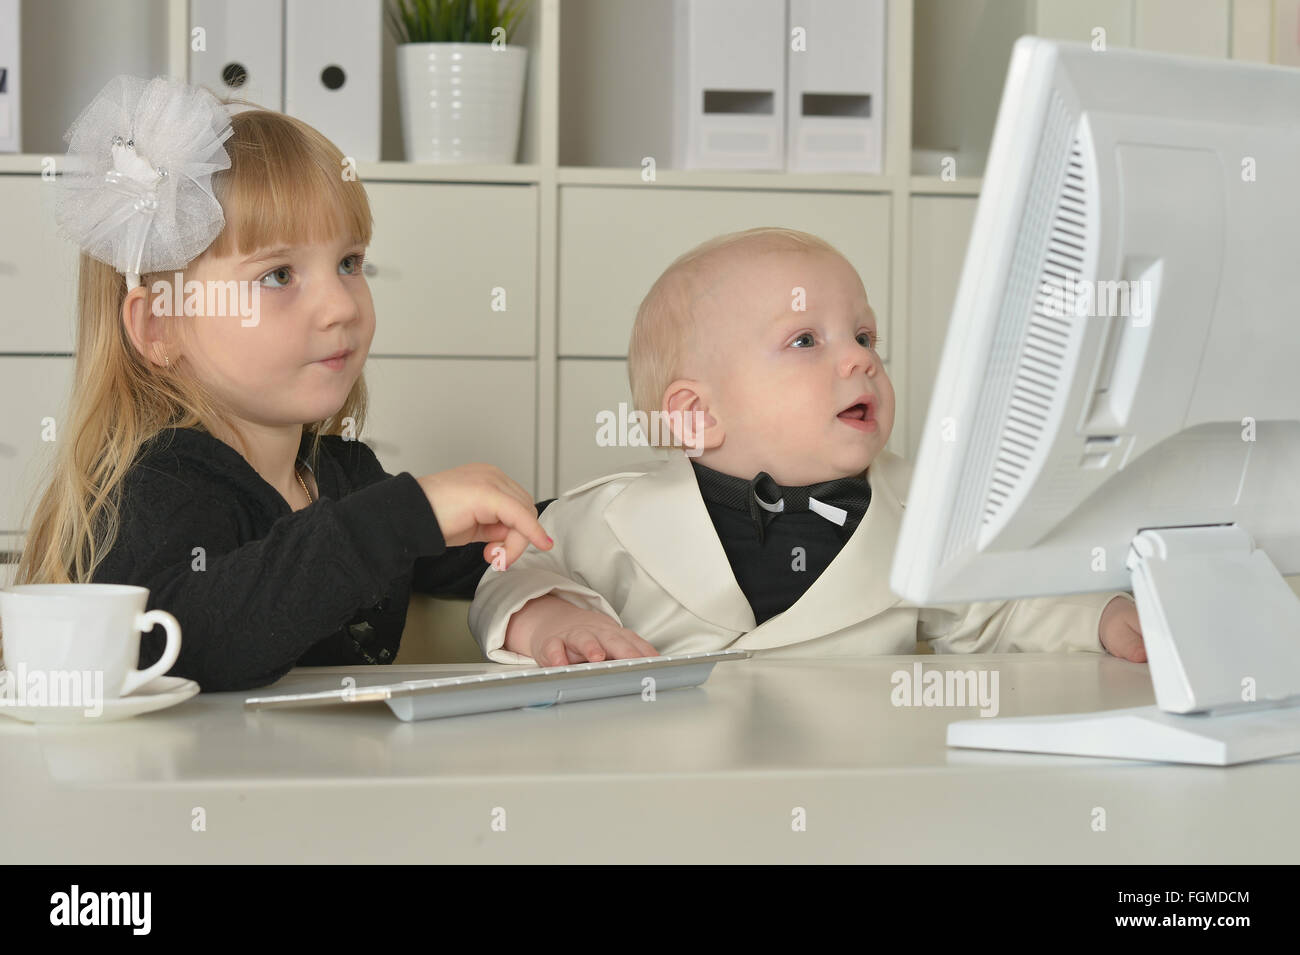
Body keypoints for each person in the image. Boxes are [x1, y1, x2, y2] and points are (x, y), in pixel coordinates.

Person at [9, 75, 552, 692]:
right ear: (160, 324)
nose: (340, 307)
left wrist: (543, 597)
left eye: (350, 263)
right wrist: (401, 518)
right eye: (278, 275)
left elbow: (489, 551)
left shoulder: (345, 476)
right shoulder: (158, 485)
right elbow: (185, 641)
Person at [469, 227, 1146, 666]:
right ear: (697, 414)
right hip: (673, 797)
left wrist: (1105, 616)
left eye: (864, 335)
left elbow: (1001, 609)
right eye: (805, 340)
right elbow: (513, 573)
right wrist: (546, 615)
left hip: (854, 789)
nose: (859, 360)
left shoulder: (923, 508)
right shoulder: (611, 516)